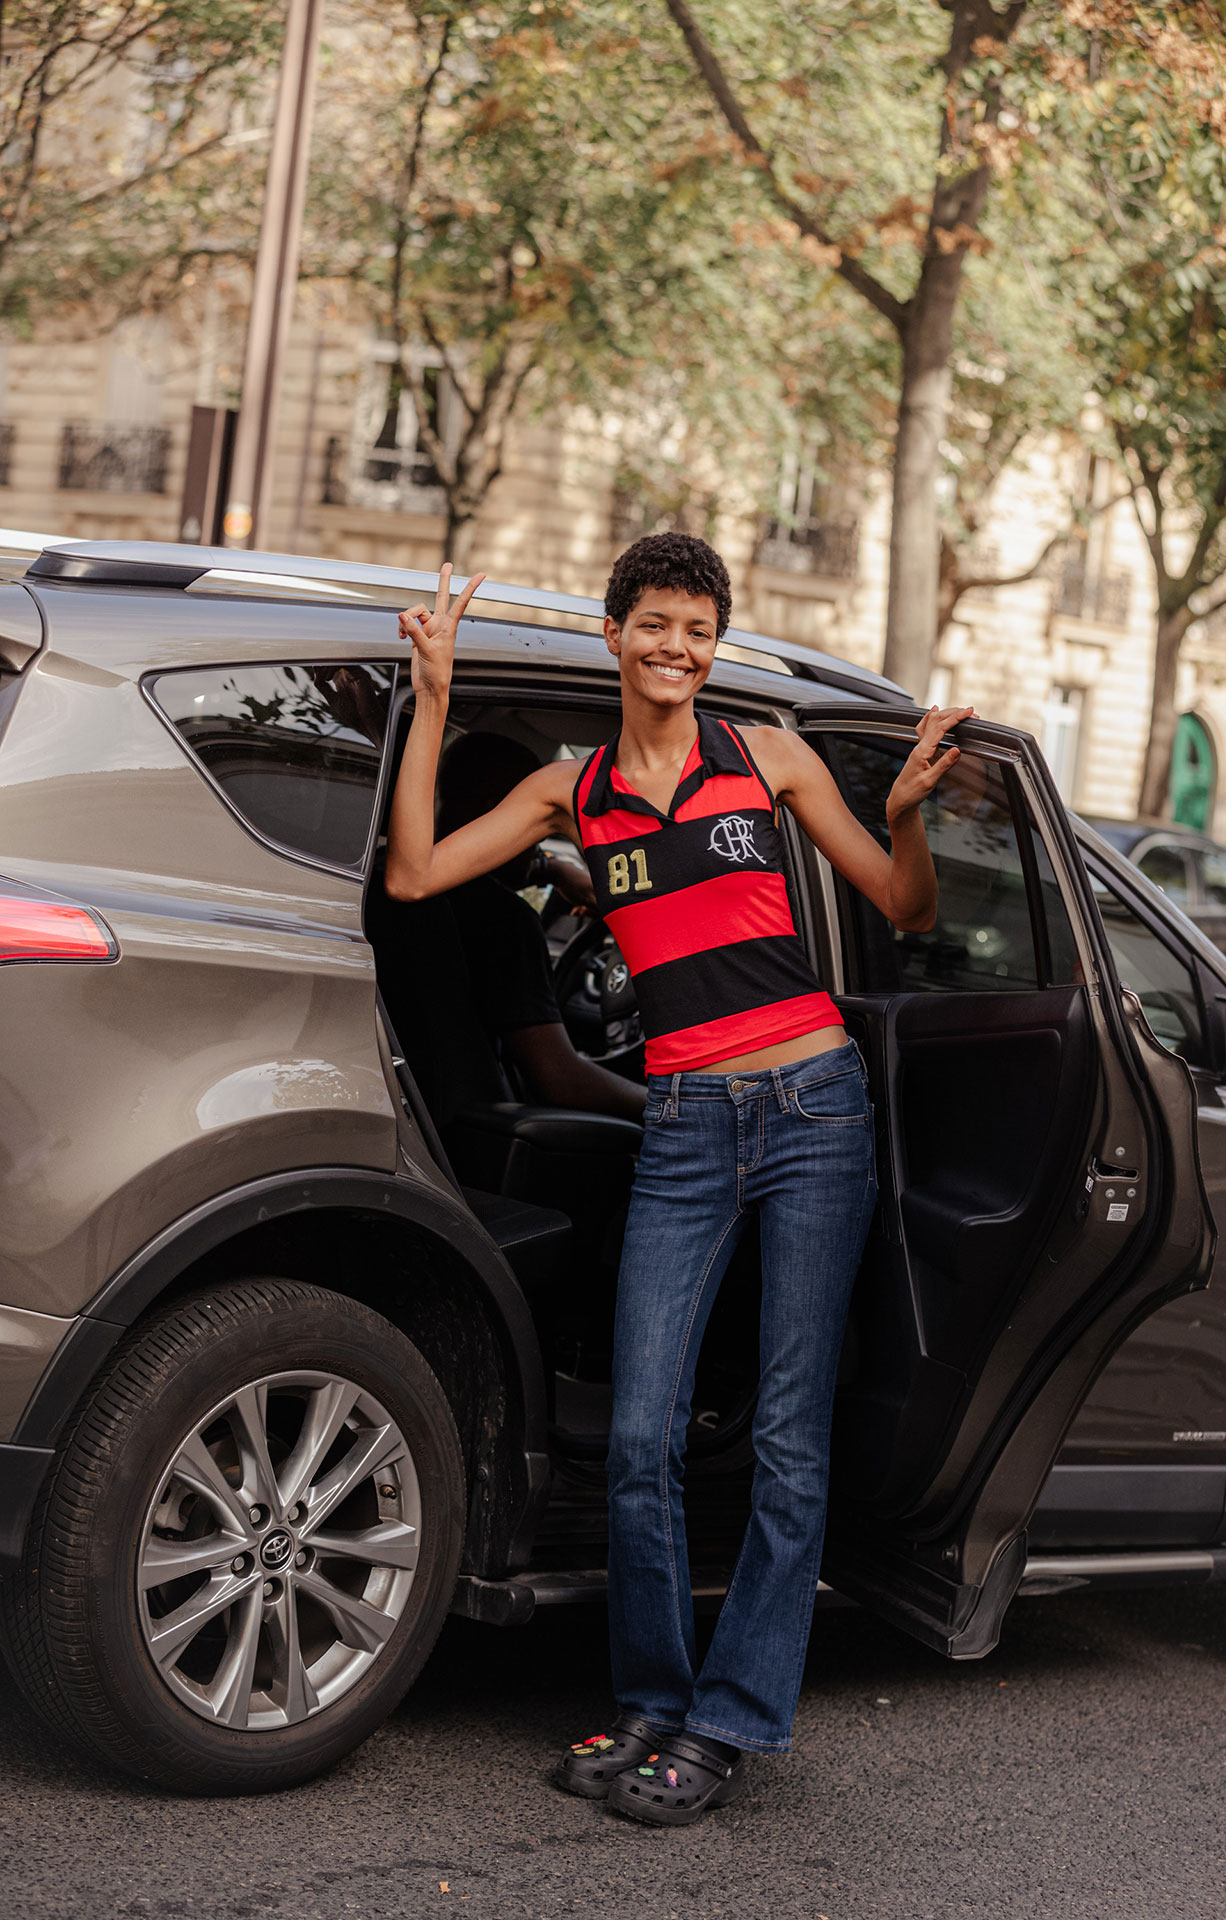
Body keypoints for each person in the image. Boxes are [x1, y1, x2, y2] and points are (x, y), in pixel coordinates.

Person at [387, 532, 972, 1828]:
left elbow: (907, 907)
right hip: (688, 1122)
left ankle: (731, 1720)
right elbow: (418, 871)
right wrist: (432, 701)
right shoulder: (571, 795)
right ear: (615, 636)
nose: (678, 649)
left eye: (699, 630)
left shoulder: (769, 761)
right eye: (656, 624)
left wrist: (909, 816)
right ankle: (653, 1700)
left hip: (815, 1104)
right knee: (642, 1435)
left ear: (714, 645)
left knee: (783, 1437)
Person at [372, 727, 644, 1123]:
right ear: (499, 813)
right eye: (541, 819)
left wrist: (554, 870)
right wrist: (668, 1106)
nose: (542, 840)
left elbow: (497, 863)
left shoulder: (386, 881)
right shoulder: (504, 921)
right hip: (486, 1140)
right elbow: (559, 1080)